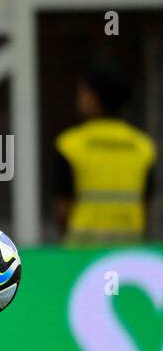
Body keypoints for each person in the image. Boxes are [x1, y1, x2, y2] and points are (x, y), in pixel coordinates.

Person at [55, 65, 156, 245]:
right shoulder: (143, 146)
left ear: (94, 99)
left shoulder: (69, 145)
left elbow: (63, 208)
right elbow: (147, 205)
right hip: (128, 252)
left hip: (80, 254)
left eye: (83, 93)